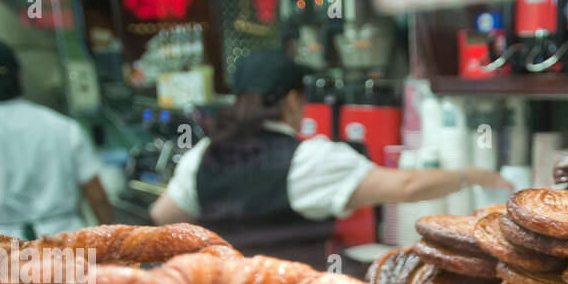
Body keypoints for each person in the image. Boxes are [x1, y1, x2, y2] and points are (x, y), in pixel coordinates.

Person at [149, 50, 510, 238]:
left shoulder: (202, 155)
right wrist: (471, 174)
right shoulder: (308, 160)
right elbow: (406, 184)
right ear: (292, 101)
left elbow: (163, 216)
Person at [0, 39, 113, 238]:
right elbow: (98, 199)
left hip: (1, 249)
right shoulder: (64, 127)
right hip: (67, 241)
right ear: (18, 77)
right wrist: (112, 248)